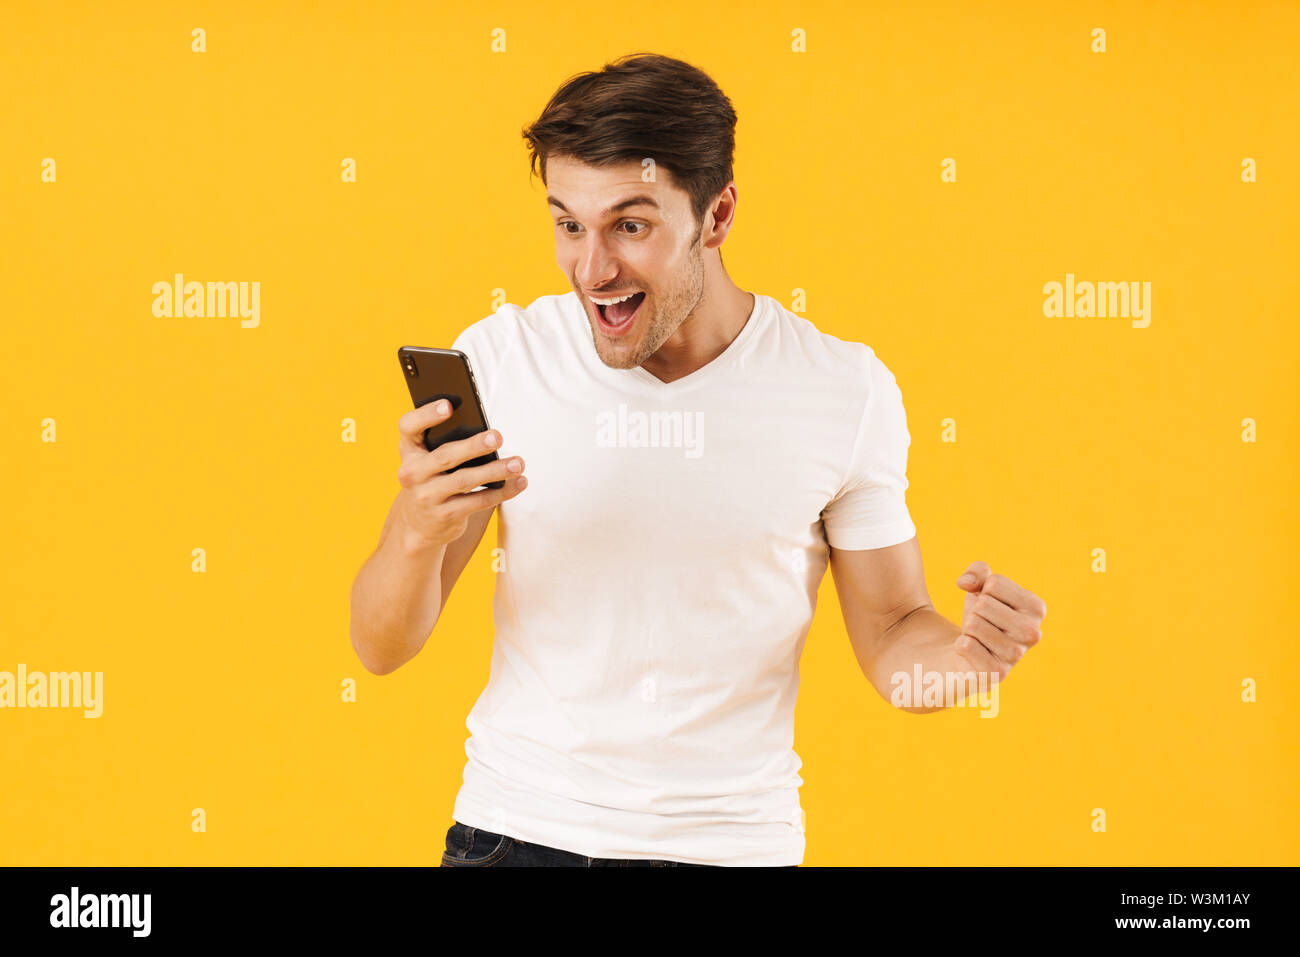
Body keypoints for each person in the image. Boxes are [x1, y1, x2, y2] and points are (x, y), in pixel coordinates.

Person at [349, 52, 1048, 867]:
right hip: (517, 833)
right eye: (569, 223)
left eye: (630, 225)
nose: (592, 268)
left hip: (734, 847)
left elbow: (894, 632)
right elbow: (381, 647)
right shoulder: (504, 360)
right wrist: (415, 529)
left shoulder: (841, 388)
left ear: (716, 216)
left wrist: (962, 662)